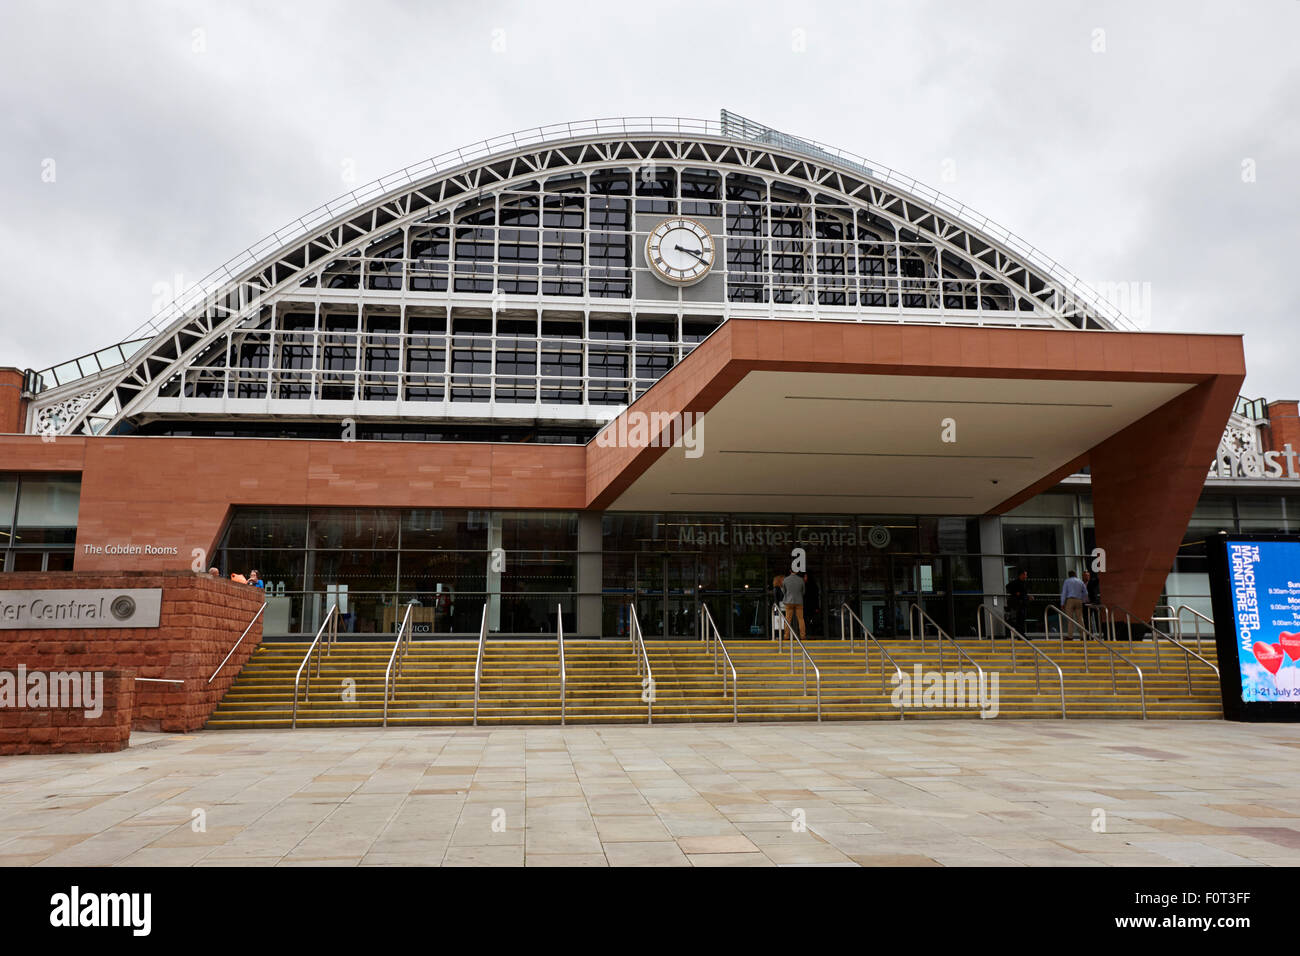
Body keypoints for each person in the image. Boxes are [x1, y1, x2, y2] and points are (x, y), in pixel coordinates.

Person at [1060, 570, 1088, 639]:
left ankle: (1070, 636)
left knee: (1070, 619)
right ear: (1075, 574)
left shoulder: (1067, 581)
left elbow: (1064, 592)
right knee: (1080, 618)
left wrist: (1062, 603)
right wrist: (1083, 600)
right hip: (1079, 600)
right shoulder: (1080, 581)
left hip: (1070, 600)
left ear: (1069, 575)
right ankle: (1083, 636)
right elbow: (1085, 593)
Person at [783, 569, 807, 641]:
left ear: (790, 571)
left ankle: (786, 636)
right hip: (799, 601)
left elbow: (784, 591)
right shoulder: (801, 580)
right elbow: (803, 591)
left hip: (789, 602)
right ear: (796, 572)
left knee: (788, 619)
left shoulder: (785, 580)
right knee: (800, 619)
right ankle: (803, 636)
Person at [1006, 569, 1031, 637]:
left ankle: (1021, 633)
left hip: (1023, 603)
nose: (1026, 576)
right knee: (1020, 618)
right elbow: (1008, 587)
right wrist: (1015, 593)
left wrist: (1028, 596)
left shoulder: (1024, 583)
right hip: (1018, 603)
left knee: (1022, 618)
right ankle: (1020, 634)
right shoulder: (1016, 582)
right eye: (1025, 574)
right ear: (1021, 575)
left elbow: (1024, 592)